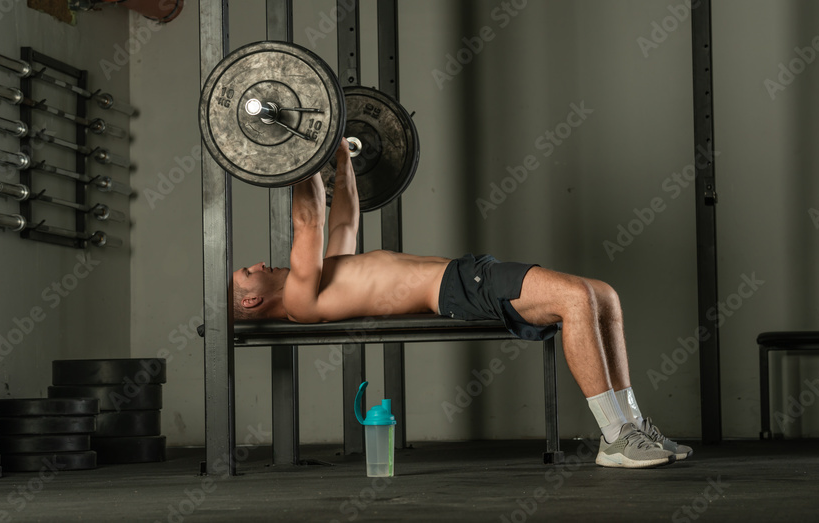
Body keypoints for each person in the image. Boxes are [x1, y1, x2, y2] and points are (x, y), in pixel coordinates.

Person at [232, 139, 691, 468]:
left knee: (603, 295)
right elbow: (307, 221)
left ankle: (633, 425)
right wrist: (301, 147)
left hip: (466, 275)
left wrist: (336, 153)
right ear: (252, 301)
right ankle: (614, 438)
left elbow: (342, 216)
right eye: (246, 273)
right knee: (575, 299)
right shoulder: (299, 299)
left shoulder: (321, 278)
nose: (256, 263)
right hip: (460, 288)